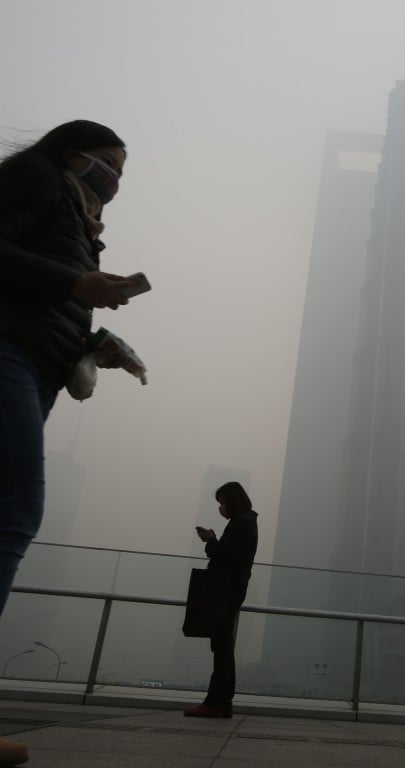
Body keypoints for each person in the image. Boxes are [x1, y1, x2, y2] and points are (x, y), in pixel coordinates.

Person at [0, 120, 141, 765]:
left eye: (120, 176)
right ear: (68, 156)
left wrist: (96, 342)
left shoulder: (81, 227)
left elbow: (48, 299)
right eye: (102, 167)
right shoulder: (31, 185)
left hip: (37, 368)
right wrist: (75, 284)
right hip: (8, 356)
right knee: (12, 515)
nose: (110, 183)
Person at [185, 482, 259, 719]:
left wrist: (210, 539)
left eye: (222, 502)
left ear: (231, 501)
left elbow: (225, 555)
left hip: (226, 590)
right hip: (230, 590)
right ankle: (222, 702)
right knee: (223, 646)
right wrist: (215, 539)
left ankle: (216, 702)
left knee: (222, 647)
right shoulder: (245, 522)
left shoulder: (242, 523)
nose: (221, 507)